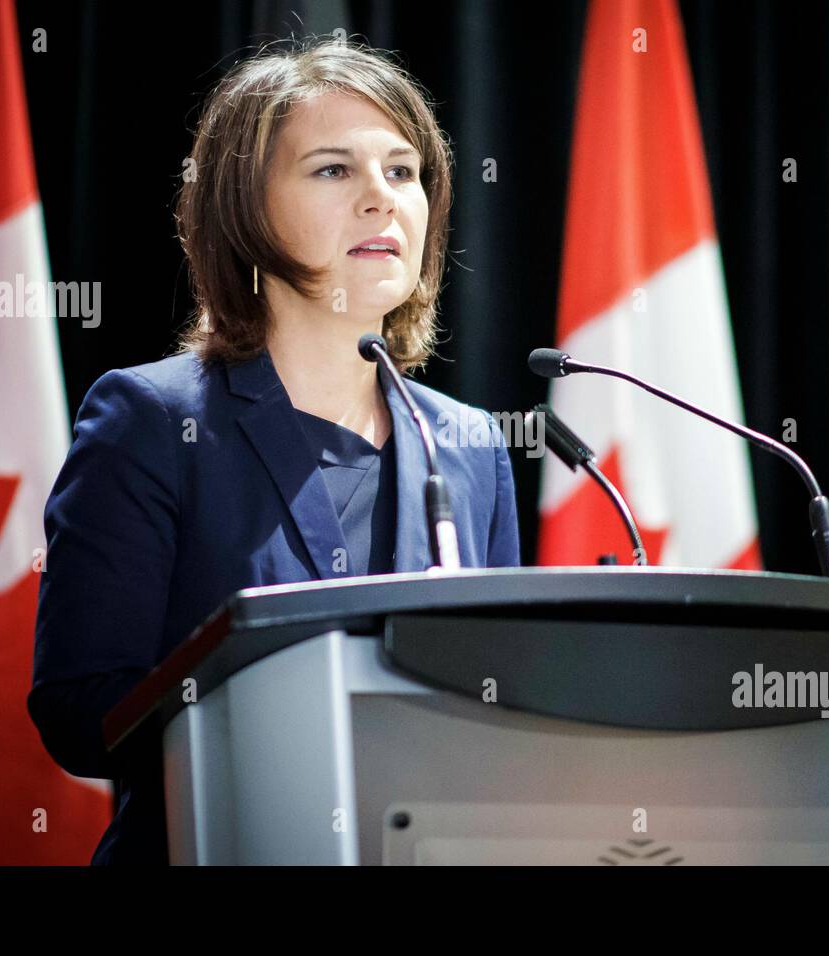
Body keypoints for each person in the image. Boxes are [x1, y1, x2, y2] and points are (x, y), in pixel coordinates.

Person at [28, 39, 521, 865]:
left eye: (403, 172)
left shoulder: (468, 445)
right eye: (334, 170)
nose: (382, 200)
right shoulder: (153, 419)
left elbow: (503, 700)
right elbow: (81, 712)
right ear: (244, 208)